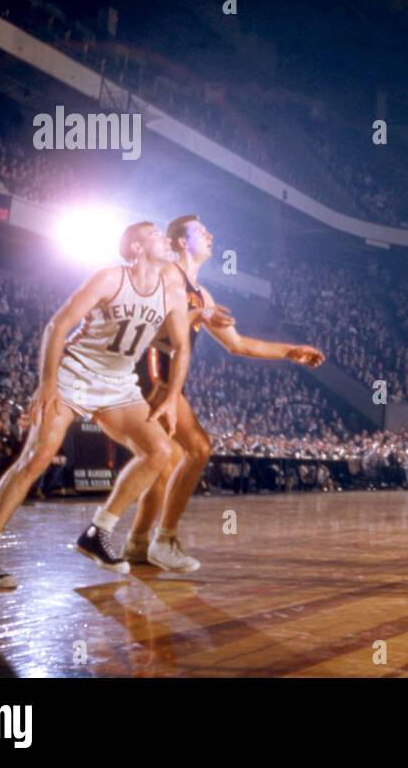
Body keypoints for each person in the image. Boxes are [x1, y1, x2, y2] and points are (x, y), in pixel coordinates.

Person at [0, 221, 192, 590]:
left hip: (118, 384)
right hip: (75, 374)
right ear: (135, 247)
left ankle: (98, 532)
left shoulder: (174, 293)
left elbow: (181, 347)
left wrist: (172, 397)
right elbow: (58, 325)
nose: (164, 238)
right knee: (38, 456)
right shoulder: (109, 278)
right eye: (154, 234)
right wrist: (48, 381)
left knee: (161, 451)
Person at [122, 215, 324, 571]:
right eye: (201, 231)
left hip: (166, 381)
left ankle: (137, 543)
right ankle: (164, 539)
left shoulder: (202, 292)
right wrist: (198, 315)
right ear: (182, 242)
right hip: (149, 373)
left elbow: (238, 344)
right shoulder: (169, 273)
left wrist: (290, 351)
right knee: (199, 448)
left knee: (167, 464)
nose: (210, 234)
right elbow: (152, 325)